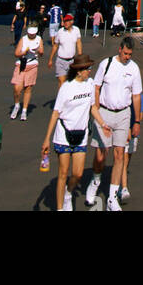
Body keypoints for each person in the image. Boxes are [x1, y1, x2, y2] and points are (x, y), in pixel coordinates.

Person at [42, 54, 107, 213]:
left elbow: (93, 108)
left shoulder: (90, 84)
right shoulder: (66, 87)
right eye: (87, 68)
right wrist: (46, 140)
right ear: (79, 71)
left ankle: (68, 194)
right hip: (64, 135)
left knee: (77, 174)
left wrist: (103, 124)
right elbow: (55, 113)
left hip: (81, 136)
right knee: (63, 173)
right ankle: (59, 208)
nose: (90, 71)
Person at [85, 35, 143, 212]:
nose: (127, 57)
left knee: (119, 154)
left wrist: (137, 121)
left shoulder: (134, 68)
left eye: (130, 54)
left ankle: (112, 196)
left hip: (124, 114)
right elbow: (96, 86)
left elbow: (136, 95)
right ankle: (95, 180)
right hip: (105, 112)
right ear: (120, 49)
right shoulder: (106, 64)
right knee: (101, 155)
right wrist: (96, 110)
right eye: (125, 53)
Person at [10, 18, 44, 120]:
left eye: (33, 33)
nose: (31, 35)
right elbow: (16, 53)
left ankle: (24, 110)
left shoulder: (39, 39)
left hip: (32, 64)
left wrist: (38, 51)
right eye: (30, 33)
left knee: (28, 88)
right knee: (17, 88)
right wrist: (23, 52)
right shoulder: (23, 39)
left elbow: (42, 53)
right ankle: (17, 105)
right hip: (22, 64)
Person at [48, 13, 82, 86]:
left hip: (72, 61)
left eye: (67, 21)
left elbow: (78, 43)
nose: (65, 23)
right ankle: (61, 97)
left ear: (71, 22)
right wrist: (50, 59)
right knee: (62, 82)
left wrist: (80, 56)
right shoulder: (60, 31)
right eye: (64, 21)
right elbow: (55, 46)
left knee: (71, 82)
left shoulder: (76, 30)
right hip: (61, 61)